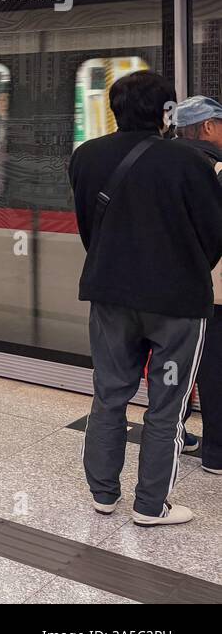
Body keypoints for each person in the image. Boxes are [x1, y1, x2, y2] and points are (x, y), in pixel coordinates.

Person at [69, 71, 222, 527]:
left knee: (109, 395)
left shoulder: (86, 156)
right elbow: (215, 236)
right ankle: (151, 505)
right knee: (166, 404)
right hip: (176, 303)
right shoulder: (189, 162)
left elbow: (87, 227)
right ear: (166, 113)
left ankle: (103, 494)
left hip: (110, 295)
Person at [168, 95, 222, 474]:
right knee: (215, 367)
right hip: (213, 287)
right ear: (207, 126)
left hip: (168, 286)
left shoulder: (157, 163)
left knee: (176, 364)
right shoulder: (216, 168)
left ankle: (175, 433)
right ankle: (217, 452)